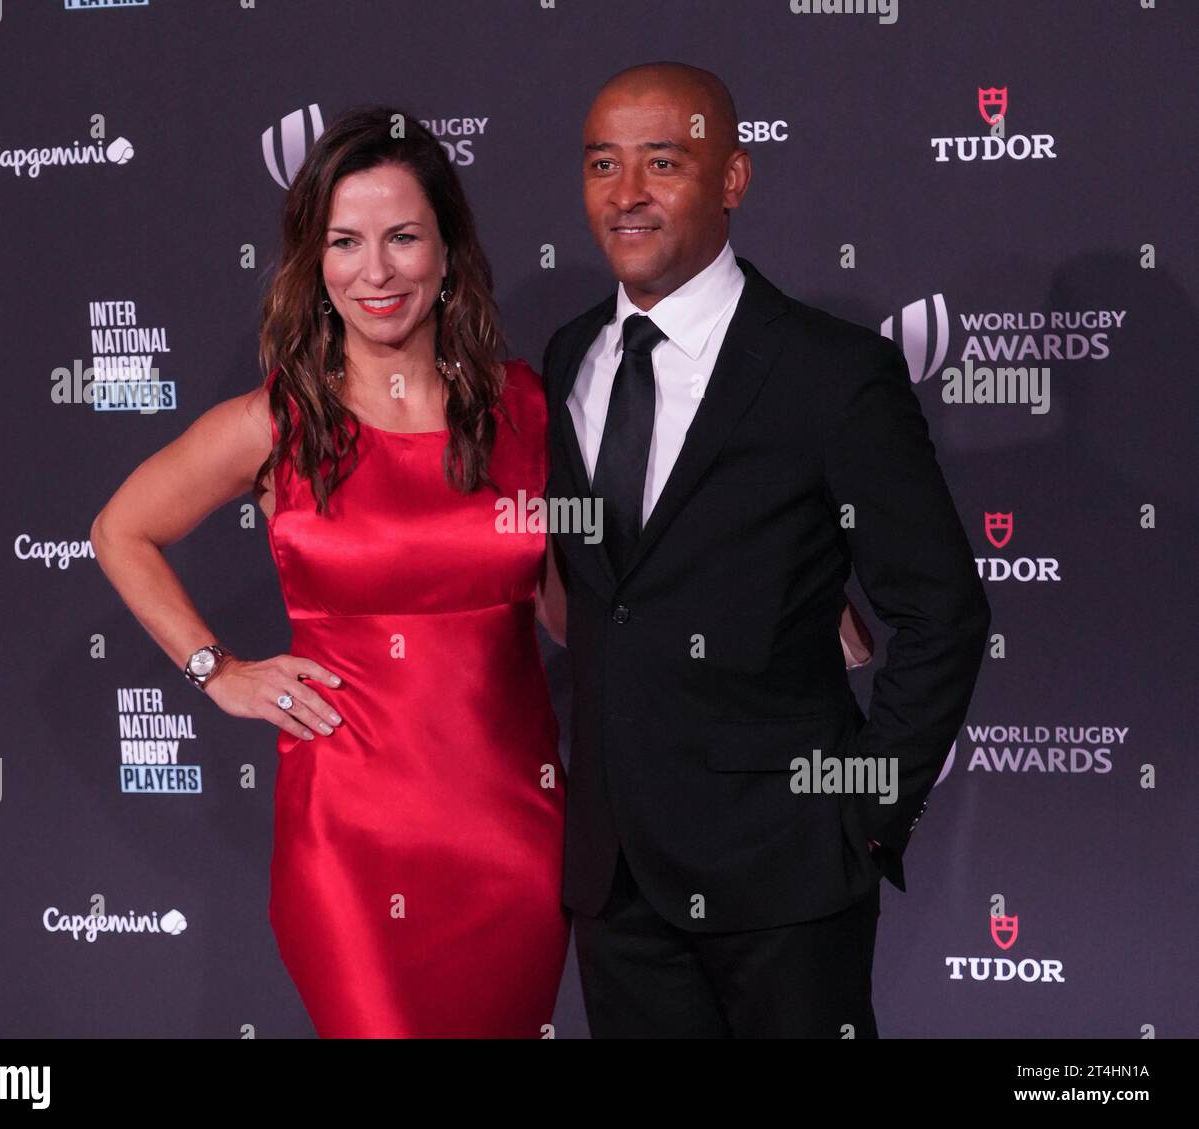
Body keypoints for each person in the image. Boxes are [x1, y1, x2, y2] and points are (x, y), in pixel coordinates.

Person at [90, 106, 570, 1037]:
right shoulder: (274, 425)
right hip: (349, 839)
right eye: (345, 242)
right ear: (314, 261)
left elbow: (571, 612)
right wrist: (216, 670)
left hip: (512, 834)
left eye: (402, 237)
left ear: (448, 251)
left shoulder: (527, 409)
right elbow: (121, 530)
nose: (375, 271)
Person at [542, 62, 991, 1037]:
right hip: (614, 885)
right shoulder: (564, 358)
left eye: (662, 162)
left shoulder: (831, 373)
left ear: (733, 179)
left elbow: (942, 612)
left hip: (786, 876)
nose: (626, 194)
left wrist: (861, 820)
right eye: (602, 166)